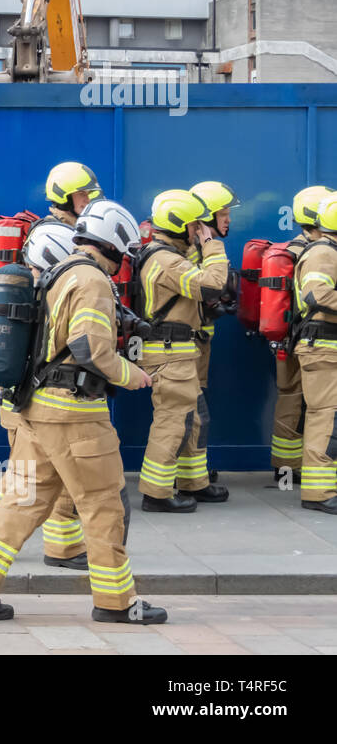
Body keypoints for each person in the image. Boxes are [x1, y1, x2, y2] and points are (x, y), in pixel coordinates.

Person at [0, 199, 165, 625]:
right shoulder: (92, 281)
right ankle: (116, 603)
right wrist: (133, 375)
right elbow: (90, 348)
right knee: (104, 504)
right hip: (76, 415)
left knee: (24, 499)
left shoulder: (60, 270)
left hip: (38, 408)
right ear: (116, 245)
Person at [0, 220, 91, 570]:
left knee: (27, 477)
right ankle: (61, 548)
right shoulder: (52, 295)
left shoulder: (29, 291)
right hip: (43, 404)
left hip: (19, 399)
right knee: (56, 480)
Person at [133, 190, 230, 512]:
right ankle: (156, 494)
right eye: (193, 226)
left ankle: (193, 482)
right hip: (168, 352)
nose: (197, 231)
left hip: (176, 350)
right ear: (178, 225)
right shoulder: (166, 260)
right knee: (172, 421)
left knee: (191, 419)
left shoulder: (167, 254)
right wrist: (212, 245)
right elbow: (210, 285)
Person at [270, 186, 331, 481]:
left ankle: (285, 467)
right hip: (308, 336)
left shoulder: (290, 249)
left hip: (288, 337)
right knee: (318, 406)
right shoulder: (318, 252)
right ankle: (309, 472)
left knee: (290, 398)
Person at [186, 180, 240, 491]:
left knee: (193, 410)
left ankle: (194, 472)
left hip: (198, 341)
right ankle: (192, 478)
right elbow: (206, 287)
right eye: (223, 213)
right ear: (206, 218)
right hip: (187, 344)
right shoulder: (196, 252)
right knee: (191, 412)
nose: (228, 219)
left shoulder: (199, 249)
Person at [291, 194, 337, 513]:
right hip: (323, 348)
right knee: (326, 418)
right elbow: (316, 295)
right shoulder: (323, 253)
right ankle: (319, 493)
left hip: (326, 347)